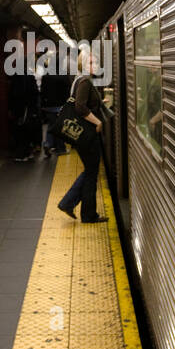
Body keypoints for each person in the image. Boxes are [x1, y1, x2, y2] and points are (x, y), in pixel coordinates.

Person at [56, 48, 107, 223]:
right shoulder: (85, 81)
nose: (95, 65)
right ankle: (87, 214)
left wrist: (100, 102)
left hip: (82, 135)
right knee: (91, 173)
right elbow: (79, 107)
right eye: (91, 62)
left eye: (96, 62)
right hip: (87, 135)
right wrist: (97, 122)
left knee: (90, 171)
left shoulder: (79, 79)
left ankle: (69, 204)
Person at [40, 52, 70, 157]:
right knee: (59, 127)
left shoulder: (46, 76)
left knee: (51, 125)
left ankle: (48, 144)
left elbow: (42, 91)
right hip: (60, 106)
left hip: (48, 106)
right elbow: (67, 93)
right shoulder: (64, 76)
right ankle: (60, 148)